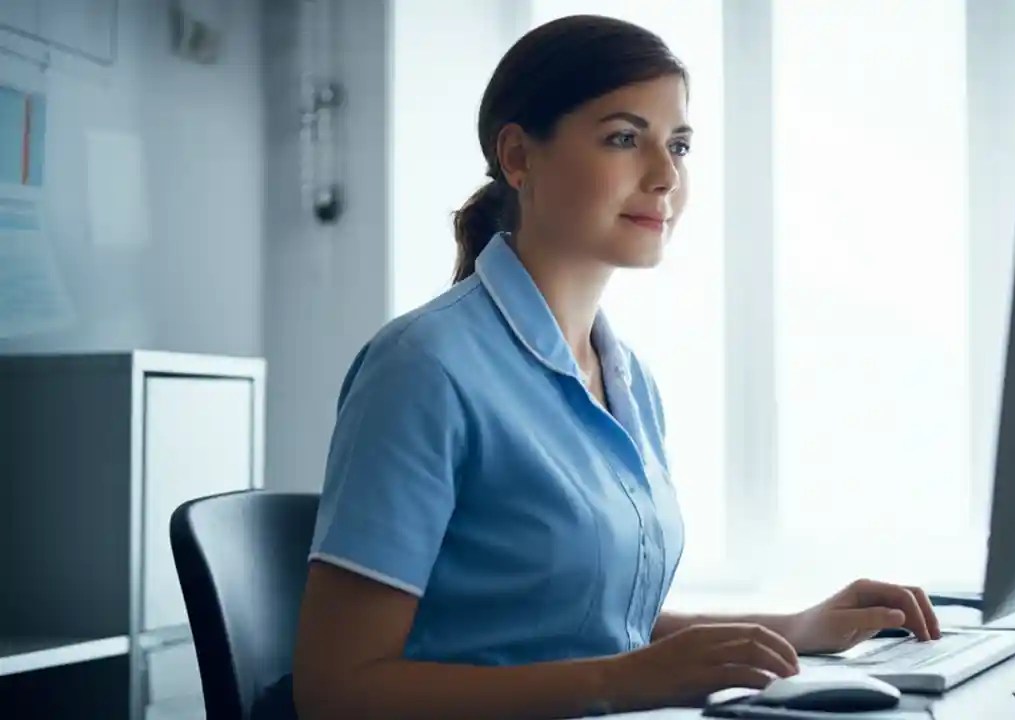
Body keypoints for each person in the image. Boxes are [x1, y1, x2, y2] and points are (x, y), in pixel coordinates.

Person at [291, 14, 941, 720]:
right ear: (519, 157)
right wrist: (626, 682)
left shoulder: (626, 379)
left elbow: (586, 627)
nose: (666, 176)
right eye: (625, 139)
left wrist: (797, 629)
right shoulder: (424, 368)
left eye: (680, 145)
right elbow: (337, 690)